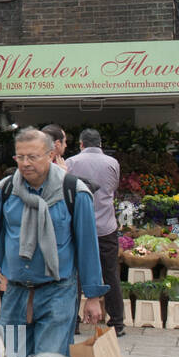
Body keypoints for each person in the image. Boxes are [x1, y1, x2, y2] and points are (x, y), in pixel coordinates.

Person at [0, 127, 107, 357]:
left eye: (32, 157)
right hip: (16, 291)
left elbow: (88, 247)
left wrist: (92, 296)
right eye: (20, 157)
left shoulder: (74, 192)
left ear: (51, 154)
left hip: (58, 290)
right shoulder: (6, 191)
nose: (25, 163)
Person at [66, 128, 126, 336]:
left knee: (75, 276)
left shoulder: (71, 163)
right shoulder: (112, 163)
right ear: (100, 144)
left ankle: (73, 323)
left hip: (78, 226)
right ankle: (117, 323)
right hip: (105, 226)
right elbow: (113, 189)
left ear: (81, 144)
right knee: (110, 273)